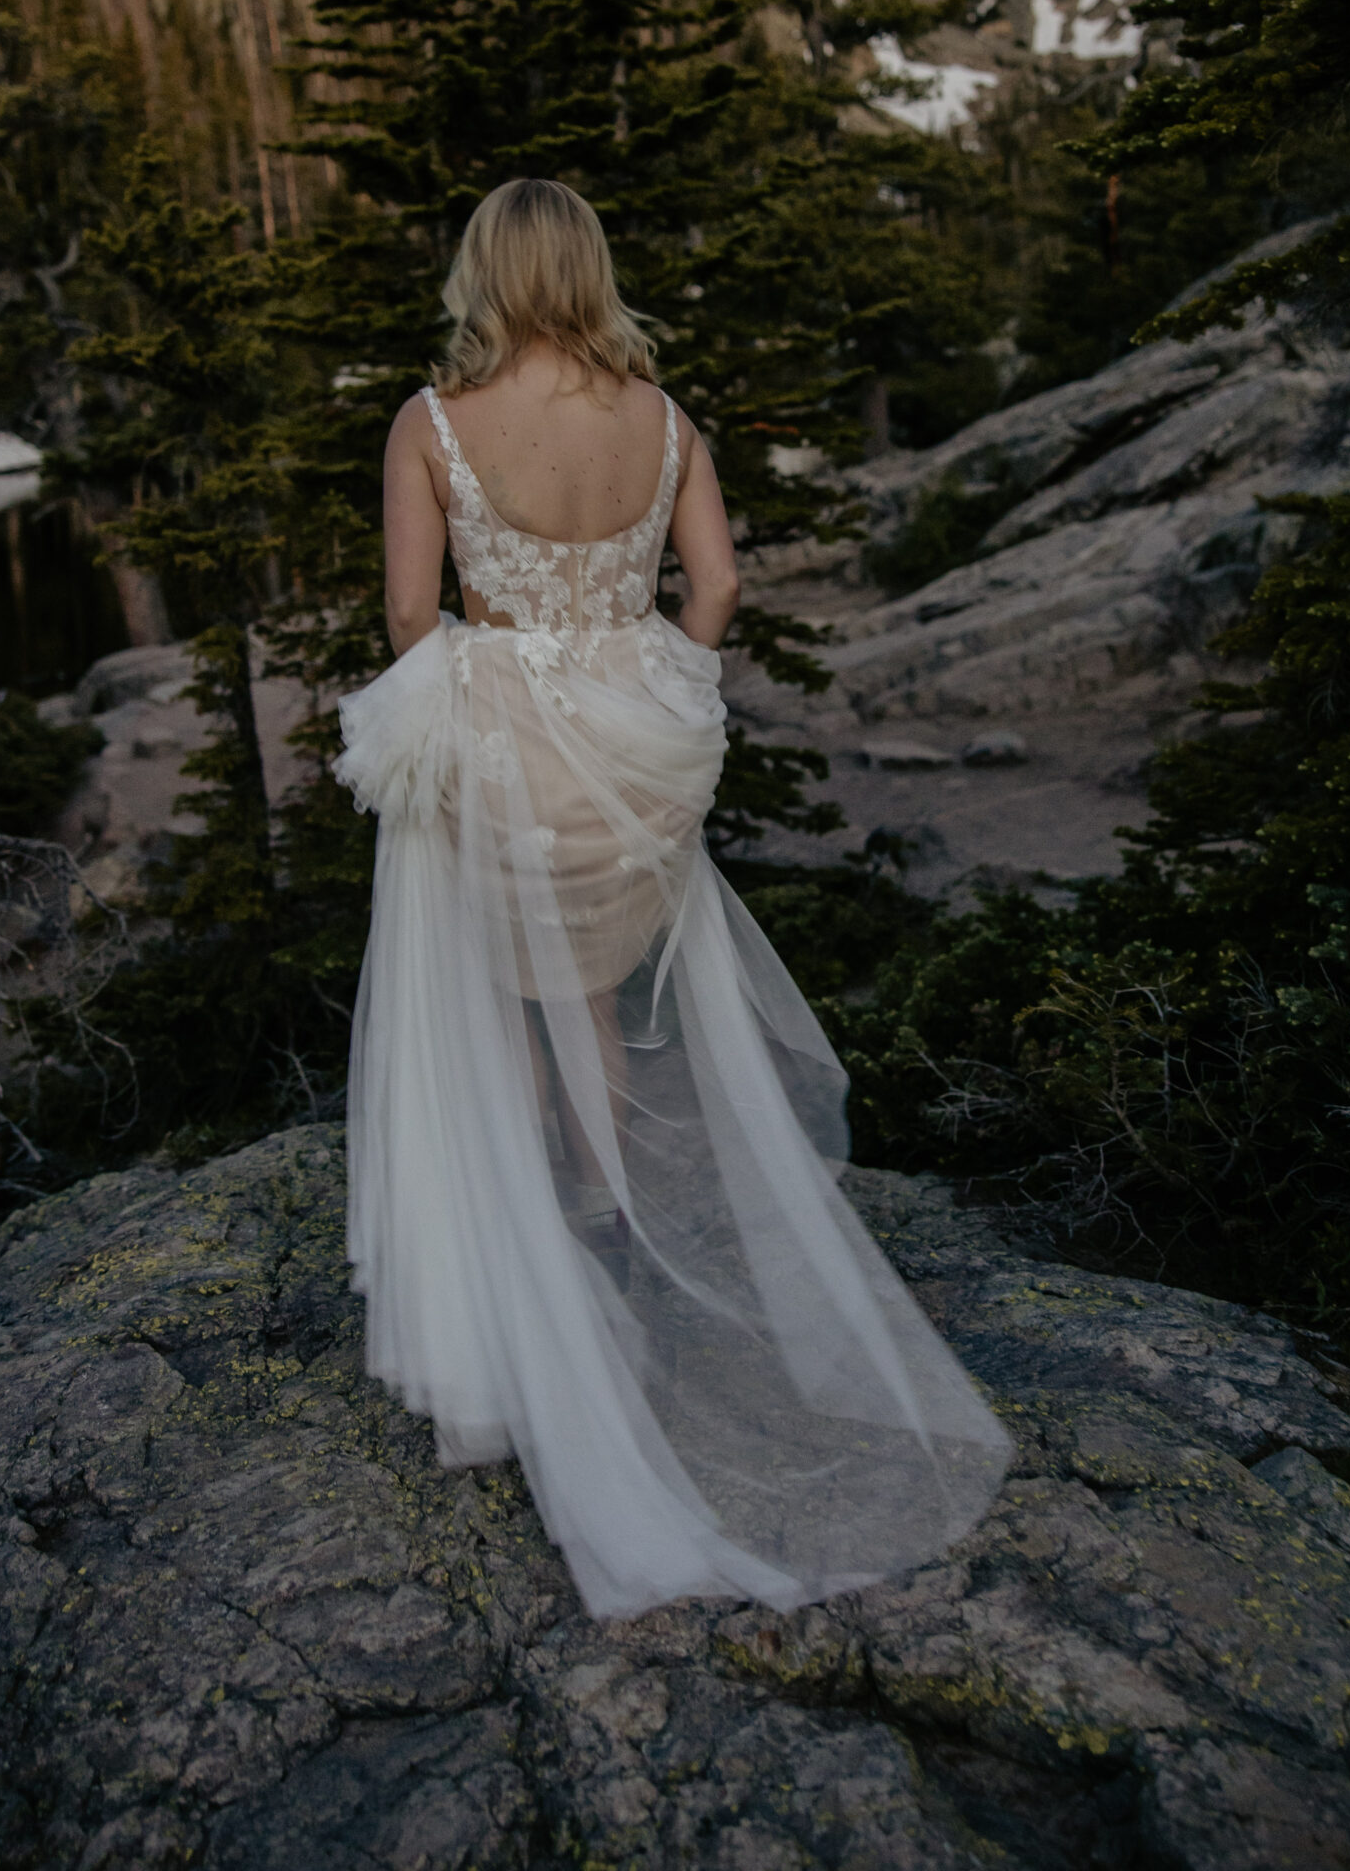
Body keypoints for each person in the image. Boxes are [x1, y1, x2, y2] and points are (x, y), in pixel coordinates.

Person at [337, 178, 1007, 1619]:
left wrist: (496, 681)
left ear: (487, 274)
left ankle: (542, 1314)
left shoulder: (432, 422)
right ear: (586, 266)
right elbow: (718, 587)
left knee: (486, 1009)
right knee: (584, 1003)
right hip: (629, 757)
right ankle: (611, 1242)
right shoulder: (665, 419)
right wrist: (645, 677)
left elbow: (407, 619)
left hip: (507, 749)